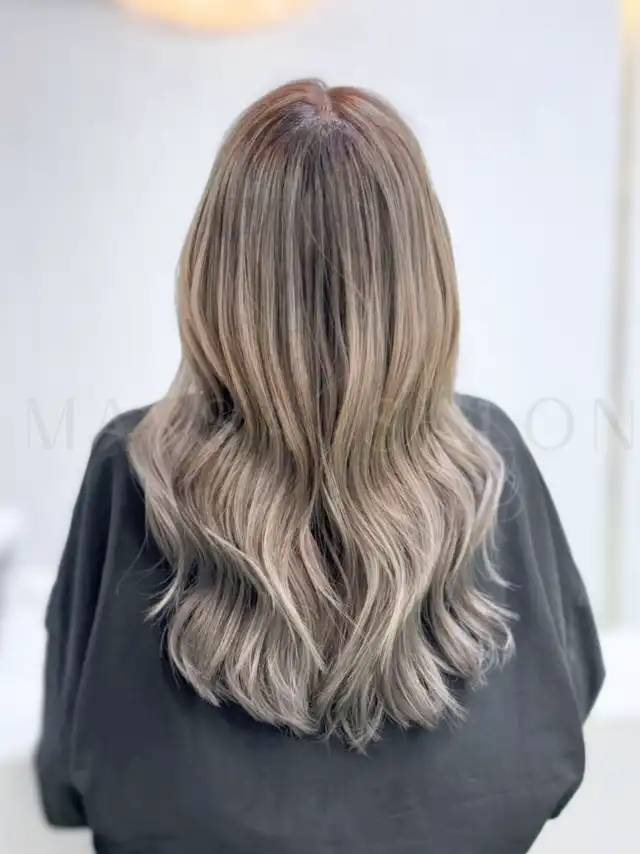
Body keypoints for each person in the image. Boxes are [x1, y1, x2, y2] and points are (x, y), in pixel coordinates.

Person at [36, 80, 604, 854]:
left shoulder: (132, 467)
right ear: (422, 277)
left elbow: (68, 773)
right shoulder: (488, 455)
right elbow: (559, 720)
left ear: (216, 268)